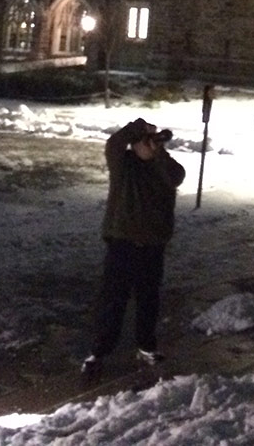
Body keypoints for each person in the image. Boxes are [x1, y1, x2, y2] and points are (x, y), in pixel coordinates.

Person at [82, 117, 185, 377]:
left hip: (152, 246)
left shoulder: (164, 168)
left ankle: (146, 346)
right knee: (112, 301)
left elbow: (176, 177)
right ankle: (99, 351)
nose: (144, 147)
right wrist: (137, 128)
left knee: (148, 299)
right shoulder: (124, 165)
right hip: (122, 243)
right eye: (140, 143)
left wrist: (157, 152)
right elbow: (113, 145)